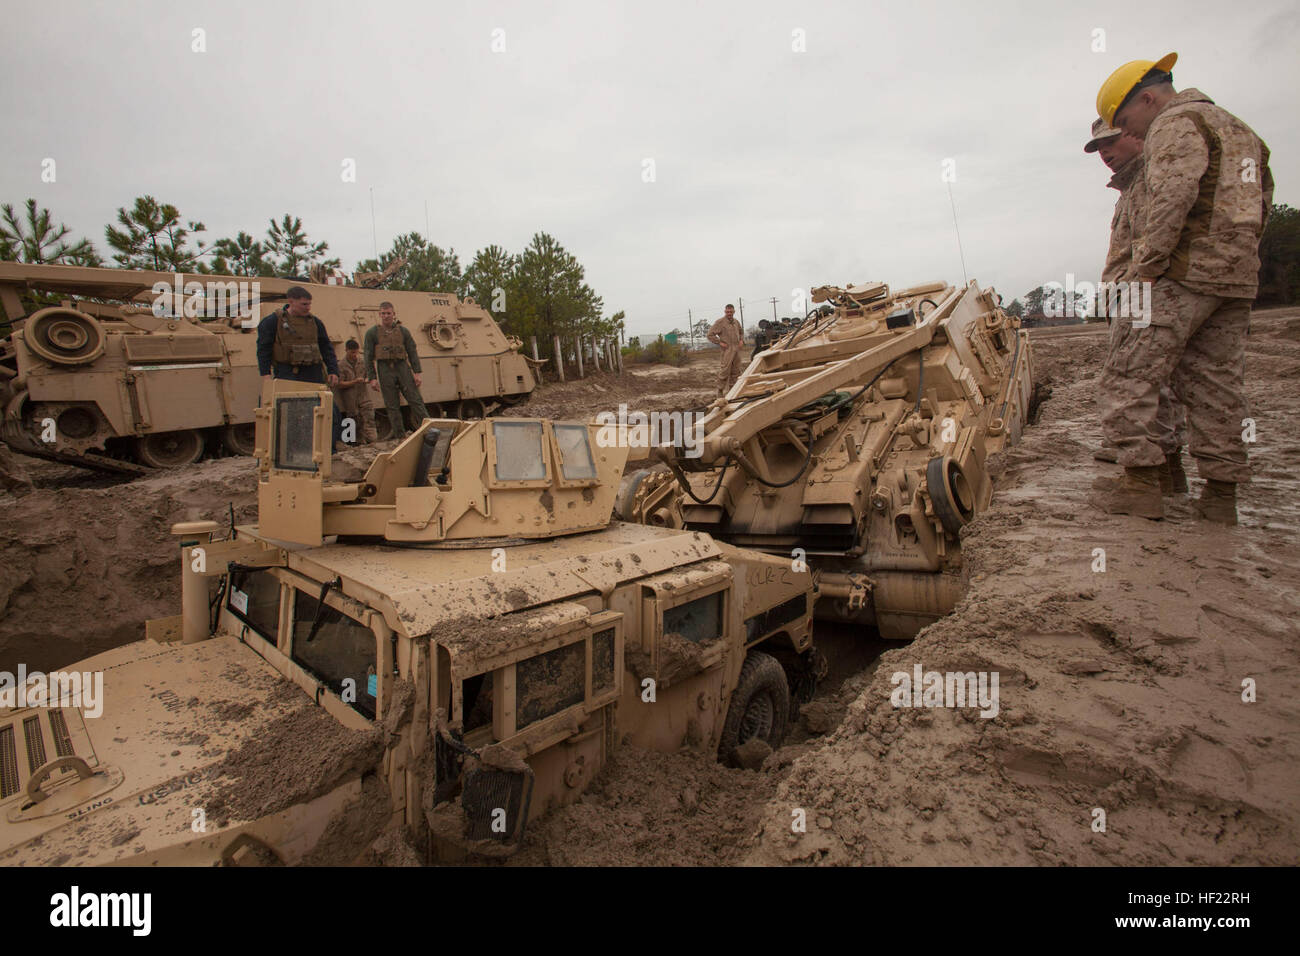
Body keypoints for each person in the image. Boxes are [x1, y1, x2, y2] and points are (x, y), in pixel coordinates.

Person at [1091, 53, 1272, 524]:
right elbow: (1262, 198)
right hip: (1233, 280)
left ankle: (1141, 487)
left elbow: (1173, 197)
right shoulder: (1243, 131)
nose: (1133, 133)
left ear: (1148, 98)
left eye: (1128, 121)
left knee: (1128, 375)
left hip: (1180, 275)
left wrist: (1146, 270)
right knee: (1217, 386)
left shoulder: (1174, 124)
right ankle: (1219, 498)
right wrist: (1240, 256)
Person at [1085, 117, 1188, 493]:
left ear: (1135, 133)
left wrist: (1142, 281)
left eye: (1111, 142)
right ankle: (1168, 476)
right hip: (1132, 294)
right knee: (1151, 385)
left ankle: (1151, 484)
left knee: (1135, 383)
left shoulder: (1152, 180)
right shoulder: (1132, 187)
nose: (1105, 154)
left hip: (1143, 293)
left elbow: (1155, 241)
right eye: (1098, 149)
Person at [256, 285, 343, 448]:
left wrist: (333, 370)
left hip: (313, 372)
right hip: (288, 373)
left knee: (330, 412)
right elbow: (263, 349)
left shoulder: (315, 322)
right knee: (290, 415)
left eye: (309, 304)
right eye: (304, 304)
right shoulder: (272, 322)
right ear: (291, 302)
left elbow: (326, 347)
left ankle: (327, 450)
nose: (308, 308)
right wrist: (266, 375)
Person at [364, 301, 429, 441]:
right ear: (379, 314)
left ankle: (430, 430)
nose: (386, 316)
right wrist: (372, 378)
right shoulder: (372, 333)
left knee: (415, 399)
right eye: (383, 313)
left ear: (394, 314)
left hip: (402, 367)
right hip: (384, 369)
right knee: (392, 405)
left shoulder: (403, 331)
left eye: (388, 313)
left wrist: (417, 373)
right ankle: (400, 436)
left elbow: (412, 351)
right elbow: (368, 356)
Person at [334, 339, 377, 444]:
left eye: (356, 352)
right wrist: (354, 381)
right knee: (353, 421)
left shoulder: (362, 362)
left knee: (369, 418)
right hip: (350, 399)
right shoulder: (341, 365)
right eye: (352, 352)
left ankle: (372, 441)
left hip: (363, 396)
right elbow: (339, 384)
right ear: (346, 350)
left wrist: (366, 381)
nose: (354, 355)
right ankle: (356, 443)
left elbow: (371, 377)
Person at [707, 303, 745, 396]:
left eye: (731, 311)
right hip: (727, 350)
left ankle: (733, 391)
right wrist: (719, 343)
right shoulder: (720, 322)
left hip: (736, 350)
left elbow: (741, 332)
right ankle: (720, 391)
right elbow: (710, 335)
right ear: (725, 311)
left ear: (734, 311)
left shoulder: (736, 322)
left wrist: (741, 340)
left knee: (736, 371)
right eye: (727, 312)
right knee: (725, 371)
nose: (729, 313)